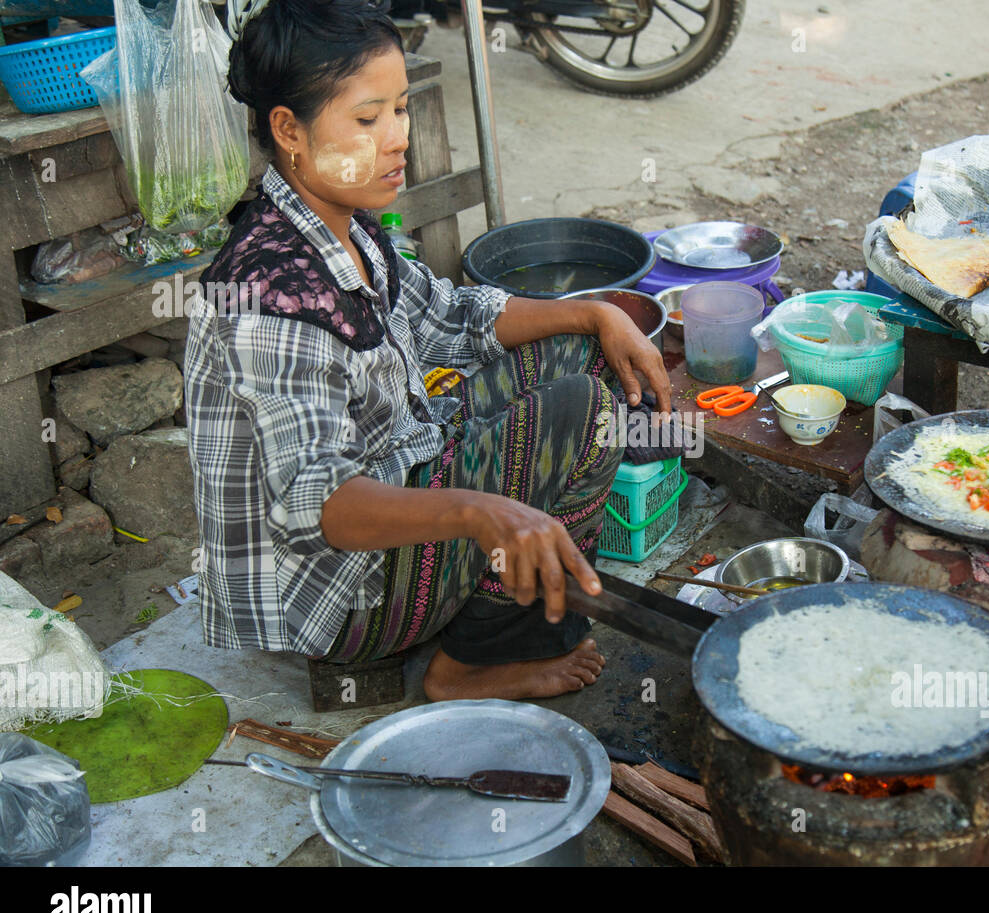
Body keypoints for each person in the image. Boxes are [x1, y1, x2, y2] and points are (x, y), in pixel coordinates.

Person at [184, 0, 670, 701]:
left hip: (398, 468)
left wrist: (594, 314)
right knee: (579, 414)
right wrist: (477, 510)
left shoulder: (351, 231)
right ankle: (470, 666)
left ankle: (499, 610)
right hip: (334, 588)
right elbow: (317, 505)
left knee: (581, 358)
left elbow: (455, 318)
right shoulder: (267, 296)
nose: (396, 139)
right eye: (366, 118)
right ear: (289, 129)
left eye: (400, 110)